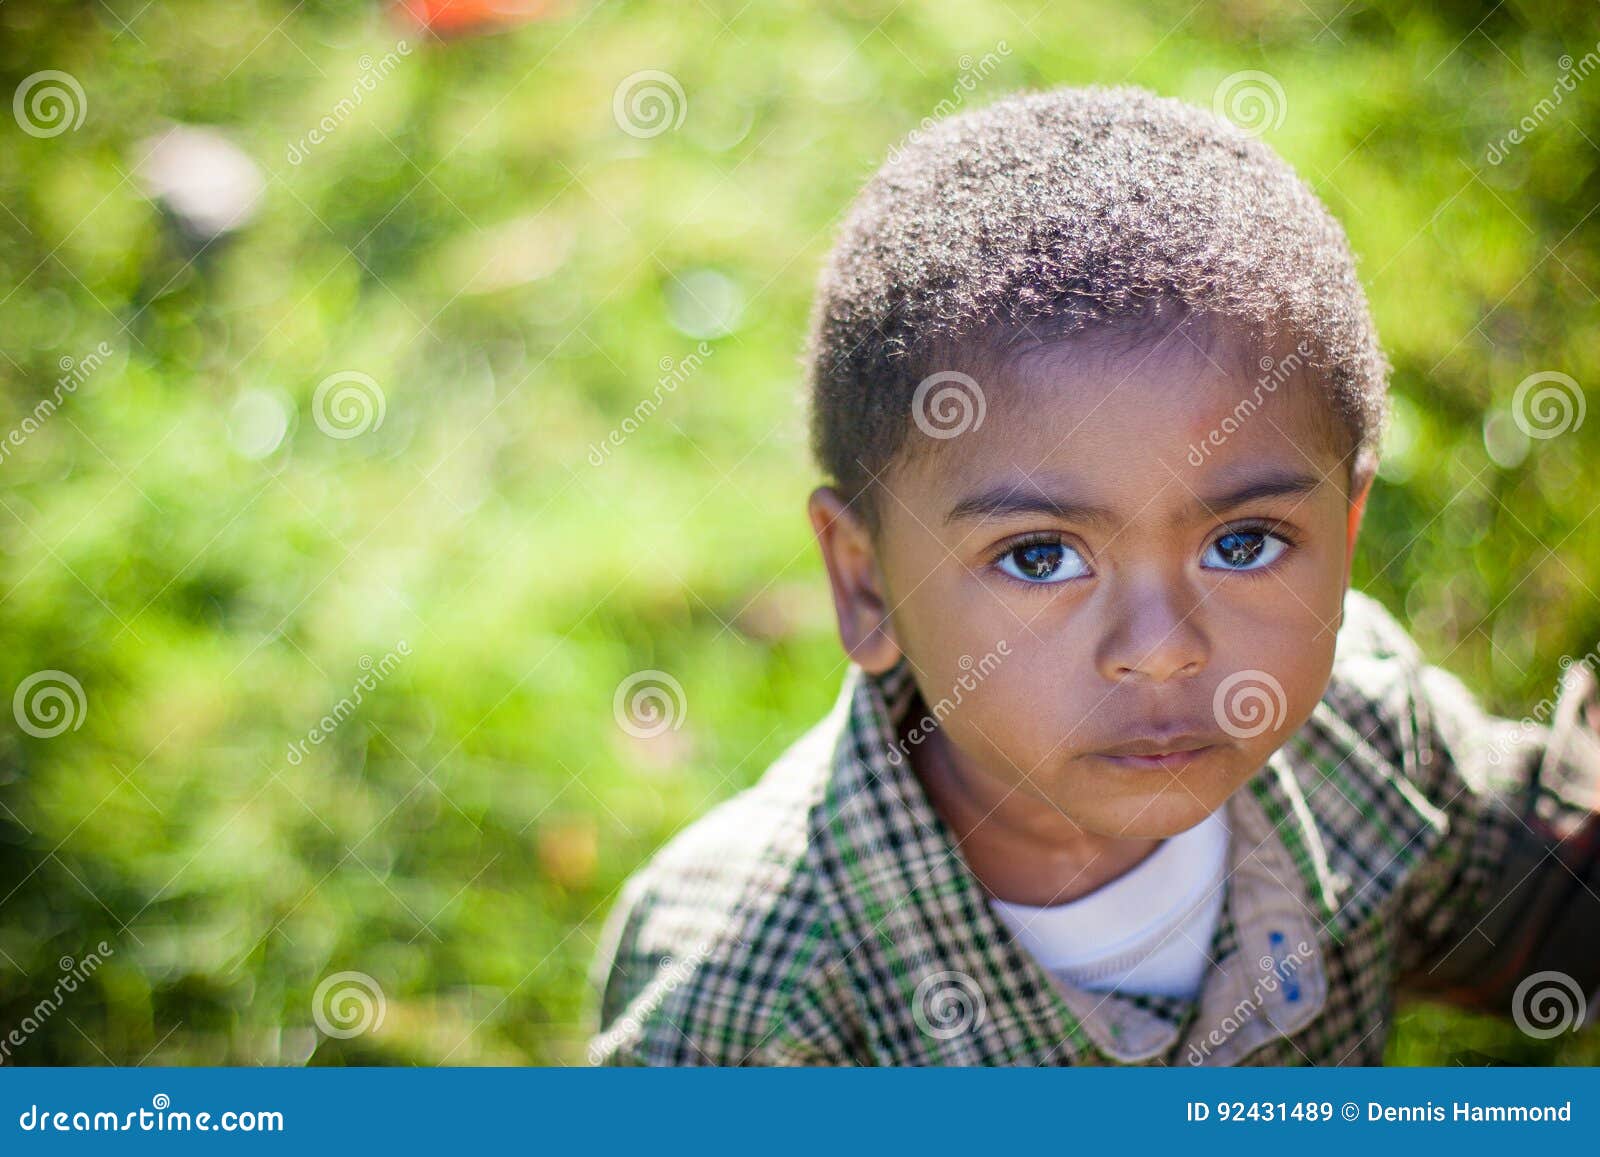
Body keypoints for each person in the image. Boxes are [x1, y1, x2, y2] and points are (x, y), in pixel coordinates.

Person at [586, 85, 1600, 1066]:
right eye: (1040, 556)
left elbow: (1554, 904)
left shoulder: (1360, 731)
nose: (1161, 648)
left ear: (1345, 530)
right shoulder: (744, 1005)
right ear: (863, 582)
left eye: (1242, 542)